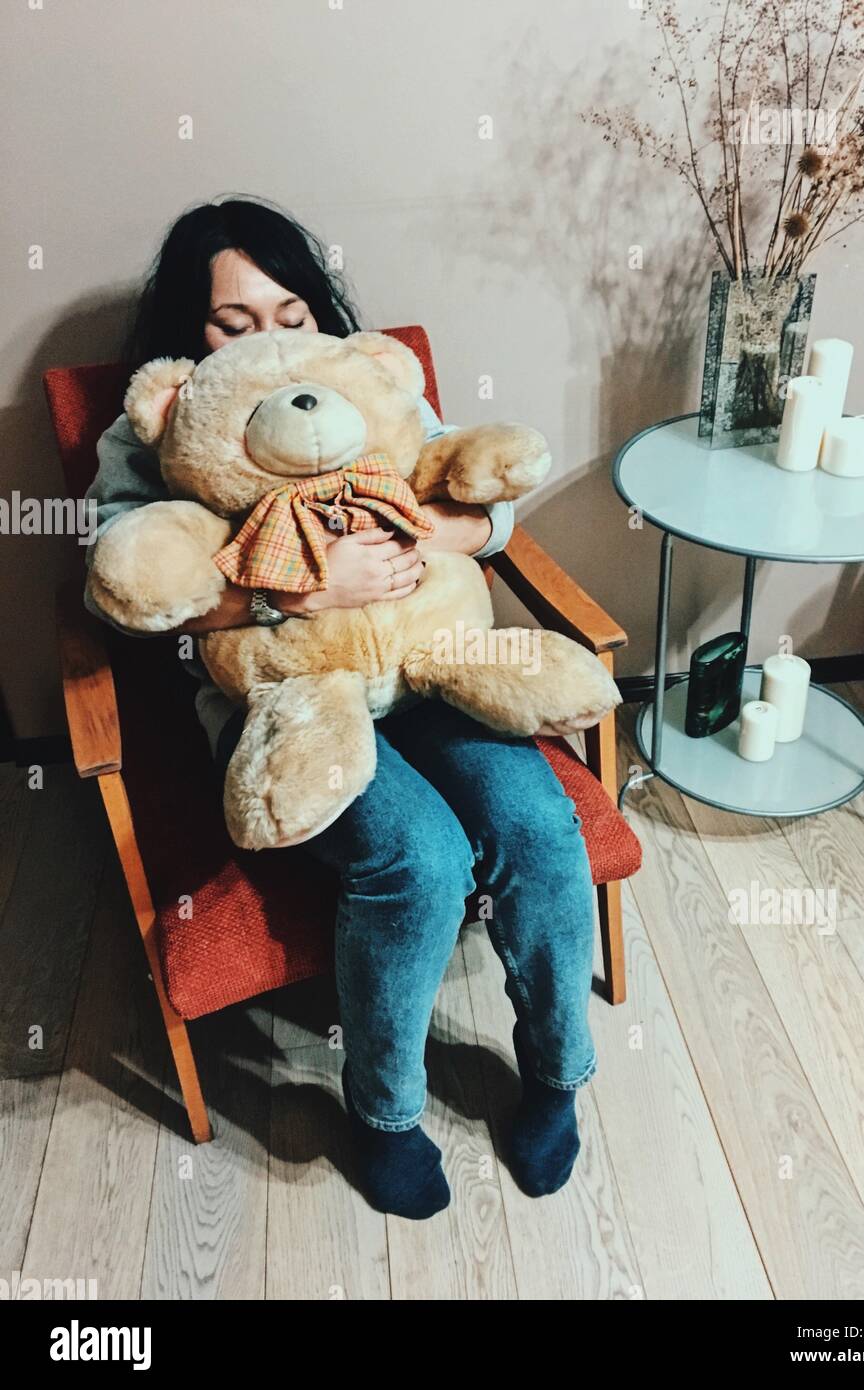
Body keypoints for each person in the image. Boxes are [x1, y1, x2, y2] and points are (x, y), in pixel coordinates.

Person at [85, 196, 600, 1220]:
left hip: (428, 661)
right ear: (192, 334)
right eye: (233, 325)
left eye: (289, 314)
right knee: (420, 857)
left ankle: (555, 1072)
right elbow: (134, 596)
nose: (270, 343)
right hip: (286, 699)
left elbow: (486, 501)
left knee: (541, 827)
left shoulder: (365, 379)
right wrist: (295, 588)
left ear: (318, 310)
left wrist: (416, 542)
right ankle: (386, 1112)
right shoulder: (159, 426)